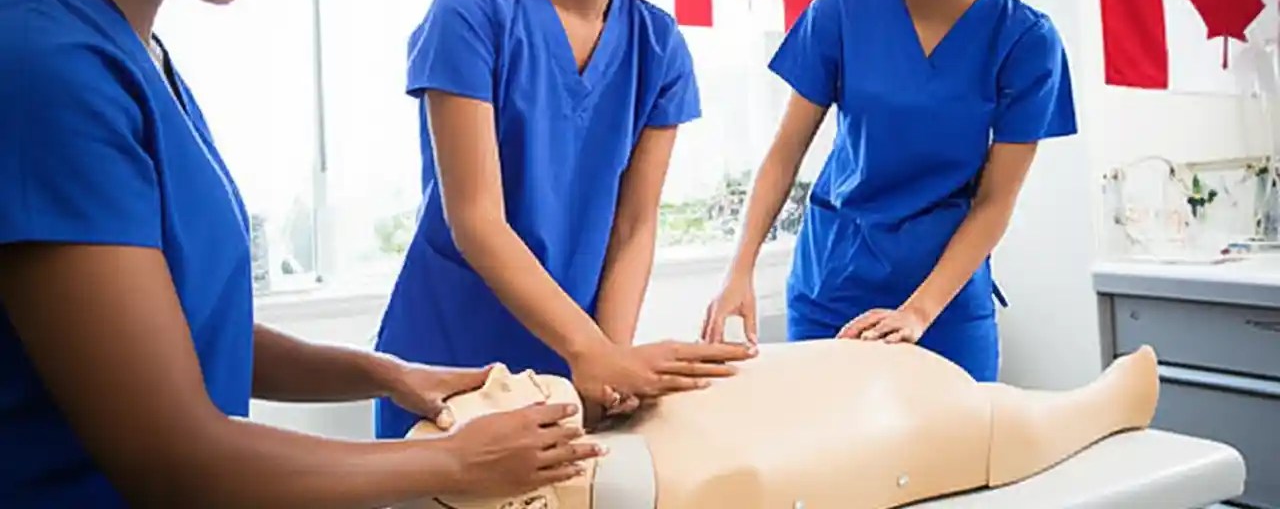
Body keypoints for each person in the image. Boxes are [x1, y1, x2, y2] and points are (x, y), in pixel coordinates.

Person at [0, 0, 601, 507]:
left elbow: (184, 335)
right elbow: (169, 456)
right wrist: (455, 463)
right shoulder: (47, 62)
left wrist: (382, 373)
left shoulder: (135, 59)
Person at [373, 0, 755, 441]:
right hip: (446, 360)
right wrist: (593, 351)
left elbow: (634, 226)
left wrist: (608, 362)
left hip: (570, 365)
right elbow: (476, 220)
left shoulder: (659, 47)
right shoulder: (473, 11)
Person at [701, 0, 1077, 382]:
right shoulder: (841, 12)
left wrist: (918, 311)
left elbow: (996, 201)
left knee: (960, 437)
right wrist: (740, 269)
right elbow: (784, 155)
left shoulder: (1024, 40)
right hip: (832, 287)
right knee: (826, 433)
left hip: (943, 301)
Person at [398, 338, 1161, 509]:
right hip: (903, 411)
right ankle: (1105, 405)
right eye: (487, 402)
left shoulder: (632, 441)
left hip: (859, 369)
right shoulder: (703, 484)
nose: (499, 377)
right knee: (980, 416)